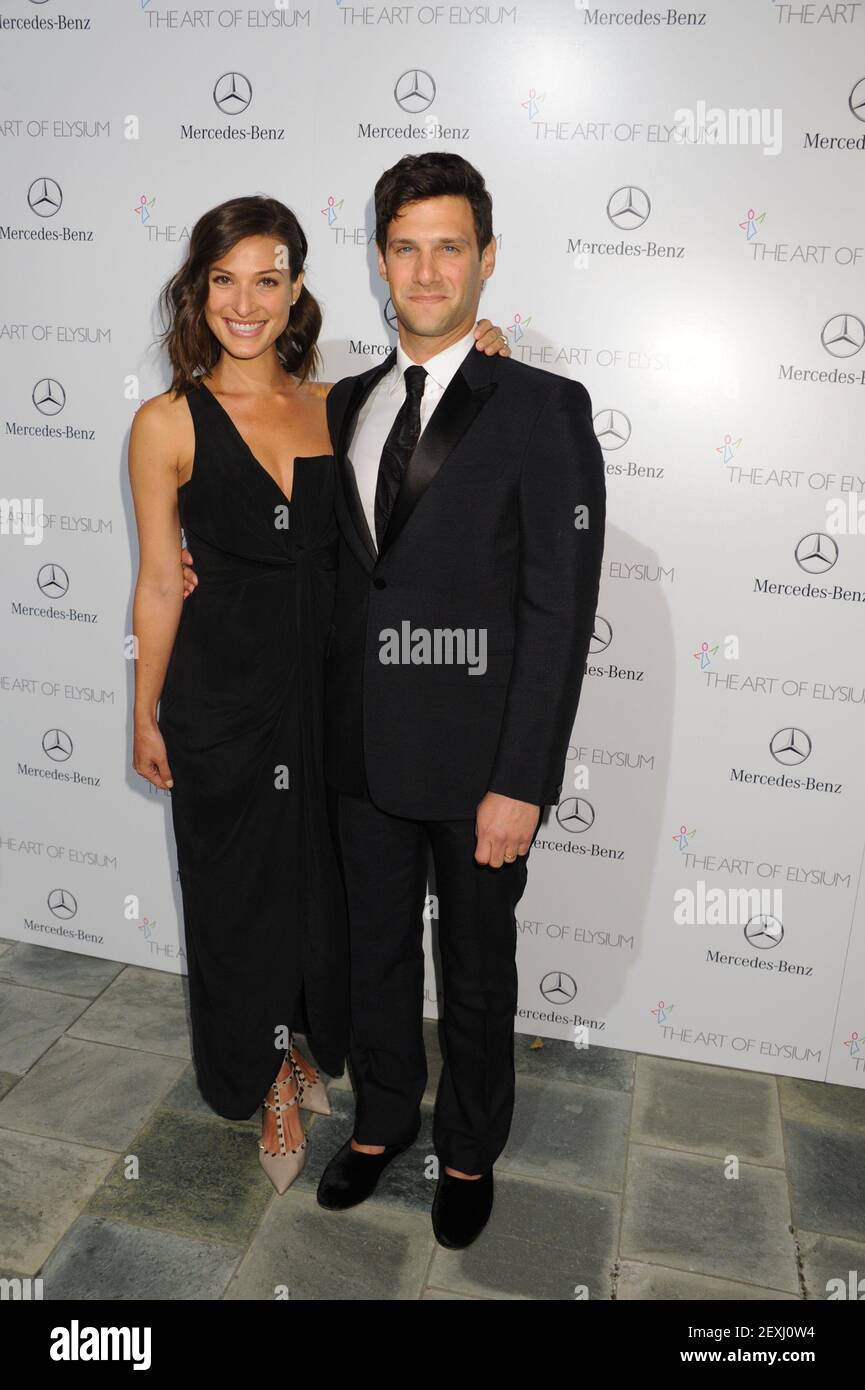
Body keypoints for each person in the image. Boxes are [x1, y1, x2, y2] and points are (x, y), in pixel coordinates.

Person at [129, 193, 510, 1194]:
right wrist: (144, 708)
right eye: (224, 279)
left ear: (296, 287)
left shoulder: (341, 403)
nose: (244, 301)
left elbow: (433, 428)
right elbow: (162, 578)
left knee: (325, 901)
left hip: (337, 703)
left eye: (267, 277)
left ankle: (302, 1044)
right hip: (221, 704)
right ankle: (262, 1080)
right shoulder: (165, 422)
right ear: (197, 290)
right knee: (235, 902)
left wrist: (489, 356)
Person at [315, 152, 606, 1250]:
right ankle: (384, 1120)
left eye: (449, 246)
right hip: (360, 755)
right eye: (405, 246)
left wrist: (521, 781)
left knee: (476, 974)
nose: (426, 269)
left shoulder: (542, 408)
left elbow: (556, 610)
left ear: (486, 259)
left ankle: (470, 1147)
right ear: (380, 260)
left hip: (480, 763)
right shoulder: (346, 399)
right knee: (376, 954)